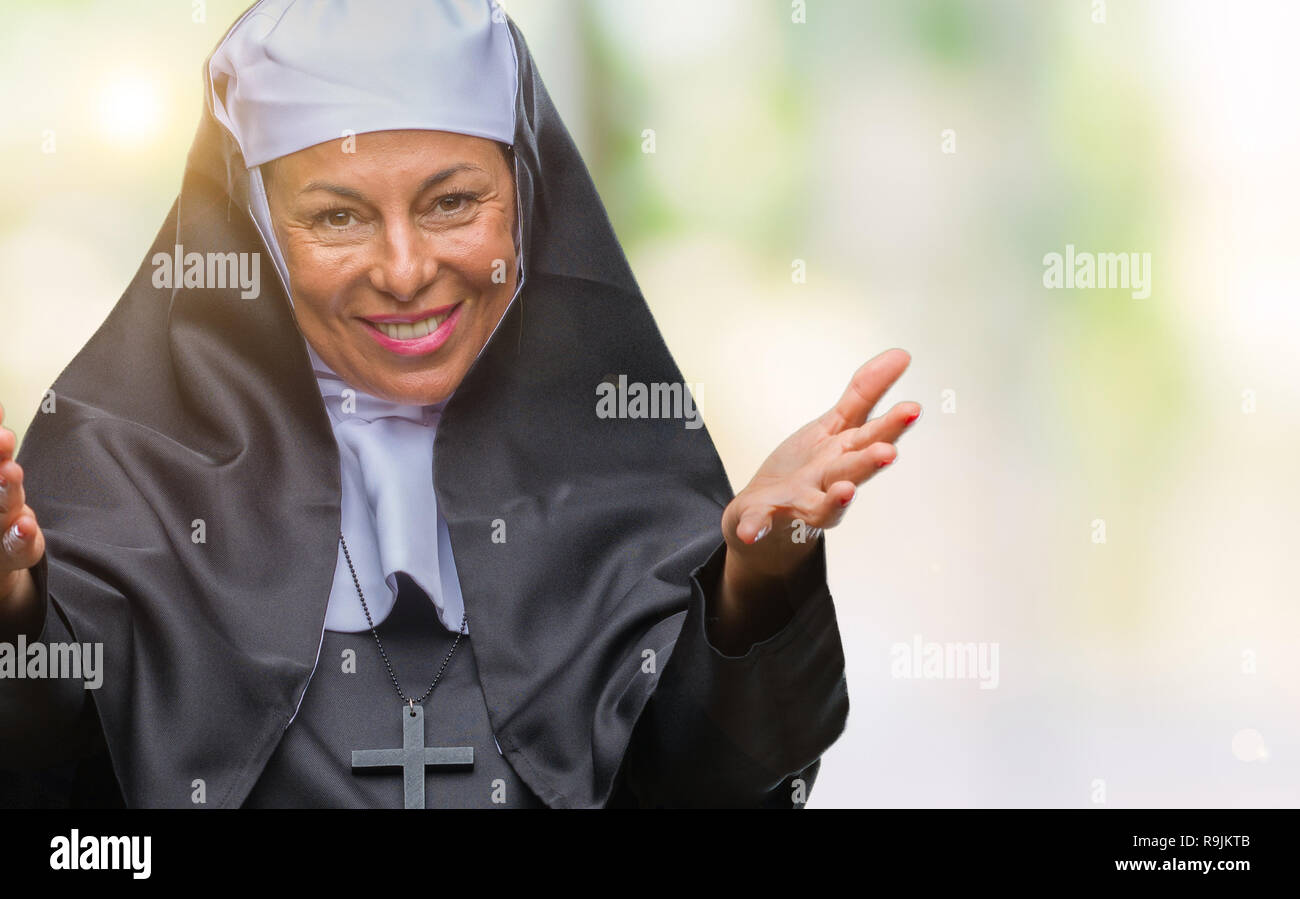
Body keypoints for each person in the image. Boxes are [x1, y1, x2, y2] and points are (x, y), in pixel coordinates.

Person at [0, 0, 920, 808]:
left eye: (451, 204)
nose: (404, 271)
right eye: (337, 217)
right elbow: (55, 788)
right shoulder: (125, 474)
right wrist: (11, 615)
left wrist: (756, 586)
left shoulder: (617, 469)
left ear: (525, 199)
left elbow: (708, 786)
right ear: (253, 229)